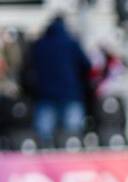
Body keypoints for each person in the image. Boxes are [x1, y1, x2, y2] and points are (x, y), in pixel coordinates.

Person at [26, 13, 90, 145]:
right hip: (70, 93)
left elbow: (29, 68)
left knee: (44, 139)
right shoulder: (71, 43)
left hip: (45, 94)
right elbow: (86, 66)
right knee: (72, 138)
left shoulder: (39, 44)